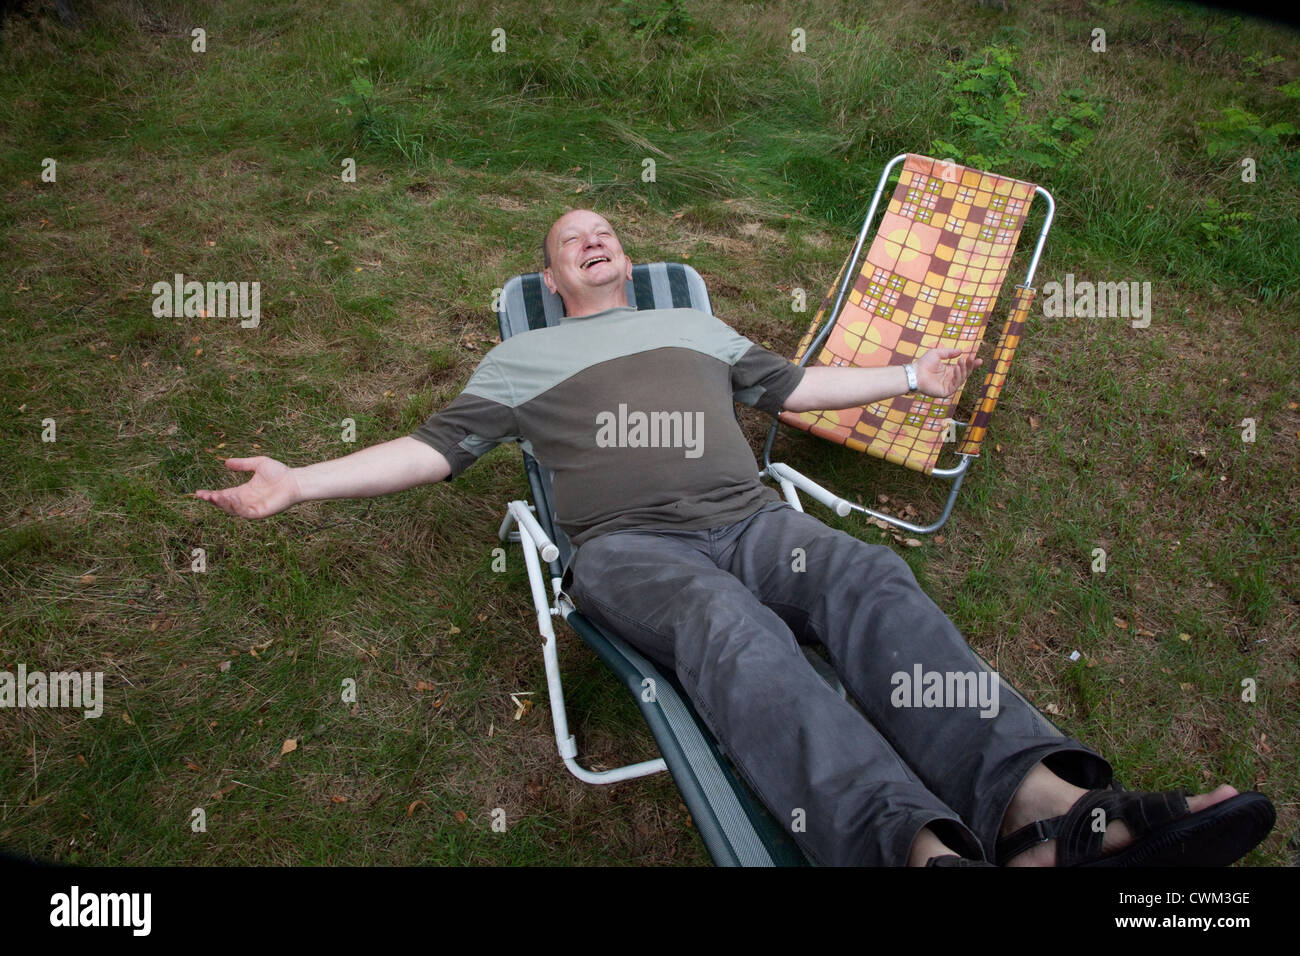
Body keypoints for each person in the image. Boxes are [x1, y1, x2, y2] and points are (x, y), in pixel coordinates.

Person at [195, 208, 1275, 867]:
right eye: (571, 239)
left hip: (753, 518)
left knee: (867, 577)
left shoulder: (699, 326)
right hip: (631, 552)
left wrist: (911, 374)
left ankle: (1045, 815)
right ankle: (907, 845)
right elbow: (429, 451)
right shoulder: (516, 365)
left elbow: (796, 386)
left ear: (625, 256)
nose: (593, 238)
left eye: (604, 228)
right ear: (550, 280)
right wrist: (301, 482)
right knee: (730, 626)